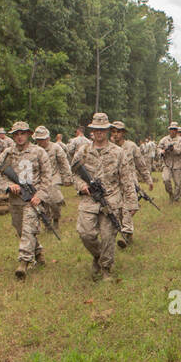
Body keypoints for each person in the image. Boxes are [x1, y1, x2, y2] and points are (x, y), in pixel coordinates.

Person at [72, 113, 135, 281]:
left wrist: (131, 204)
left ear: (107, 131)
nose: (99, 133)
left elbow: (126, 179)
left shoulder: (118, 152)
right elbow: (74, 174)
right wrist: (82, 186)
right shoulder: (83, 151)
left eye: (102, 130)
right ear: (92, 131)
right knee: (85, 233)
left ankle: (106, 269)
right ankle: (98, 255)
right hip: (89, 200)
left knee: (108, 236)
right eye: (96, 130)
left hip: (111, 199)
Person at [0, 121, 53, 280]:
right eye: (16, 134)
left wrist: (40, 195)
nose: (19, 137)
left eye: (22, 133)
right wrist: (9, 186)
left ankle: (23, 262)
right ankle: (38, 252)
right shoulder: (7, 154)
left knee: (29, 228)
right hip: (16, 200)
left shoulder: (39, 152)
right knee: (20, 229)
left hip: (33, 199)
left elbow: (47, 177)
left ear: (28, 134)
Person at [110, 120, 152, 247]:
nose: (115, 134)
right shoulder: (109, 147)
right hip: (114, 183)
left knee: (128, 207)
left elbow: (141, 165)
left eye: (118, 132)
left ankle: (126, 233)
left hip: (130, 181)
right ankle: (127, 232)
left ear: (123, 133)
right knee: (117, 209)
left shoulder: (132, 146)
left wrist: (148, 179)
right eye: (113, 132)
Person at [33, 126, 72, 231]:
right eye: (38, 140)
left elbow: (63, 162)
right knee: (43, 201)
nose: (41, 142)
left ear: (48, 138)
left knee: (54, 199)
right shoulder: (33, 150)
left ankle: (56, 219)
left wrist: (67, 176)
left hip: (53, 176)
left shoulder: (55, 148)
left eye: (42, 139)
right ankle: (47, 222)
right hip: (40, 178)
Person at [158, 122, 181, 202]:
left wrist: (173, 149)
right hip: (167, 163)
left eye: (174, 129)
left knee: (178, 184)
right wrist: (162, 151)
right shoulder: (164, 139)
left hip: (178, 164)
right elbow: (158, 148)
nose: (173, 131)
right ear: (169, 130)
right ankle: (170, 194)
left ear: (177, 130)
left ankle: (176, 199)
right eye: (171, 129)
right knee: (166, 179)